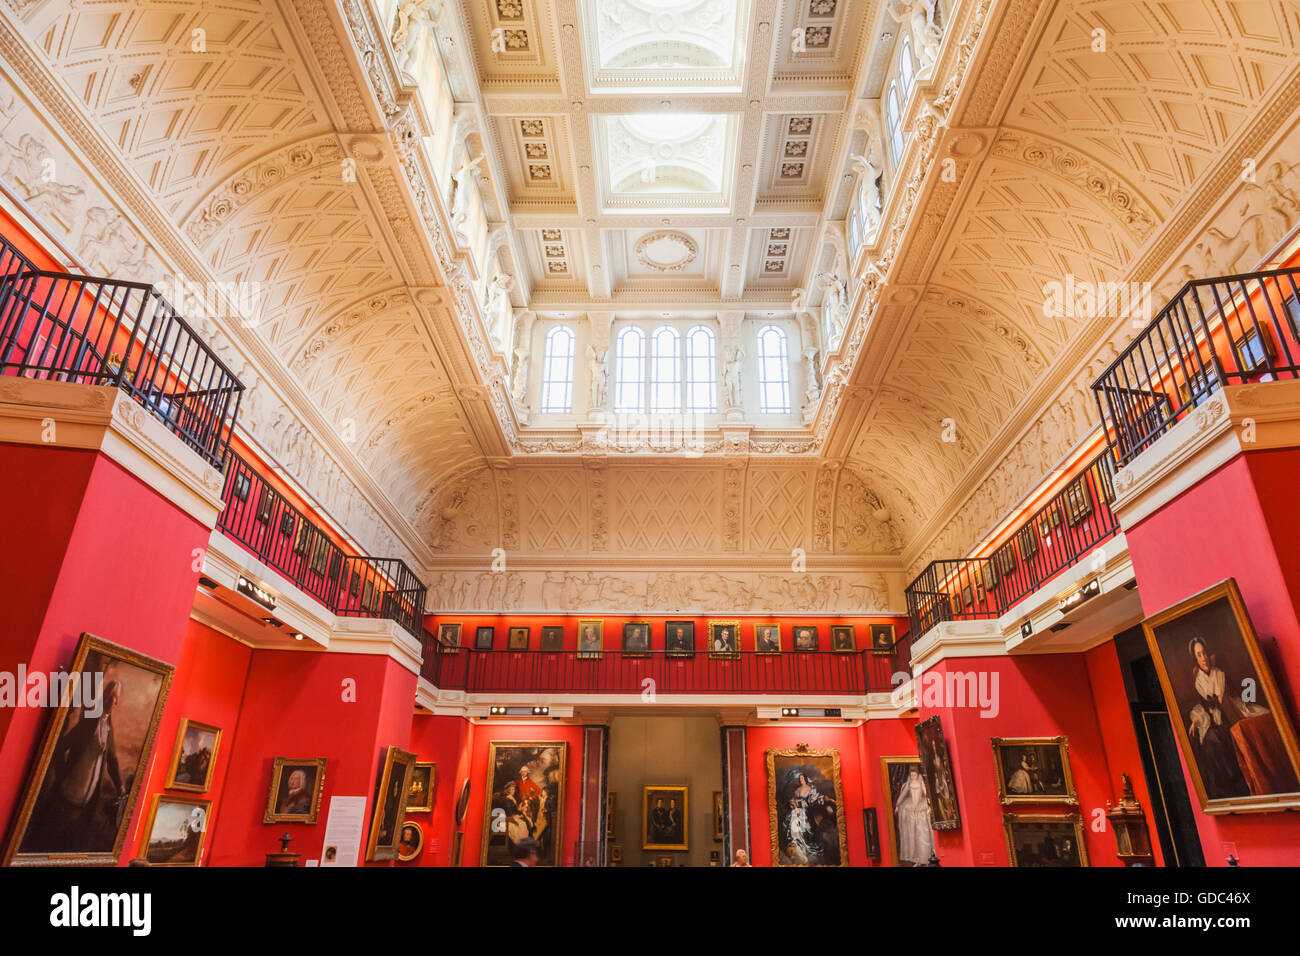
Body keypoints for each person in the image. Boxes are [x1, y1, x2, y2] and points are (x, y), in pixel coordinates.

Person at [894, 766, 934, 866]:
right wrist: (898, 805)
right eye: (912, 775)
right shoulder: (908, 784)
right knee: (914, 836)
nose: (913, 776)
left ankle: (926, 858)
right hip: (912, 809)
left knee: (923, 835)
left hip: (921, 809)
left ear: (917, 774)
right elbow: (903, 795)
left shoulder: (921, 783)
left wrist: (930, 806)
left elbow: (926, 794)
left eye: (915, 775)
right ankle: (917, 859)